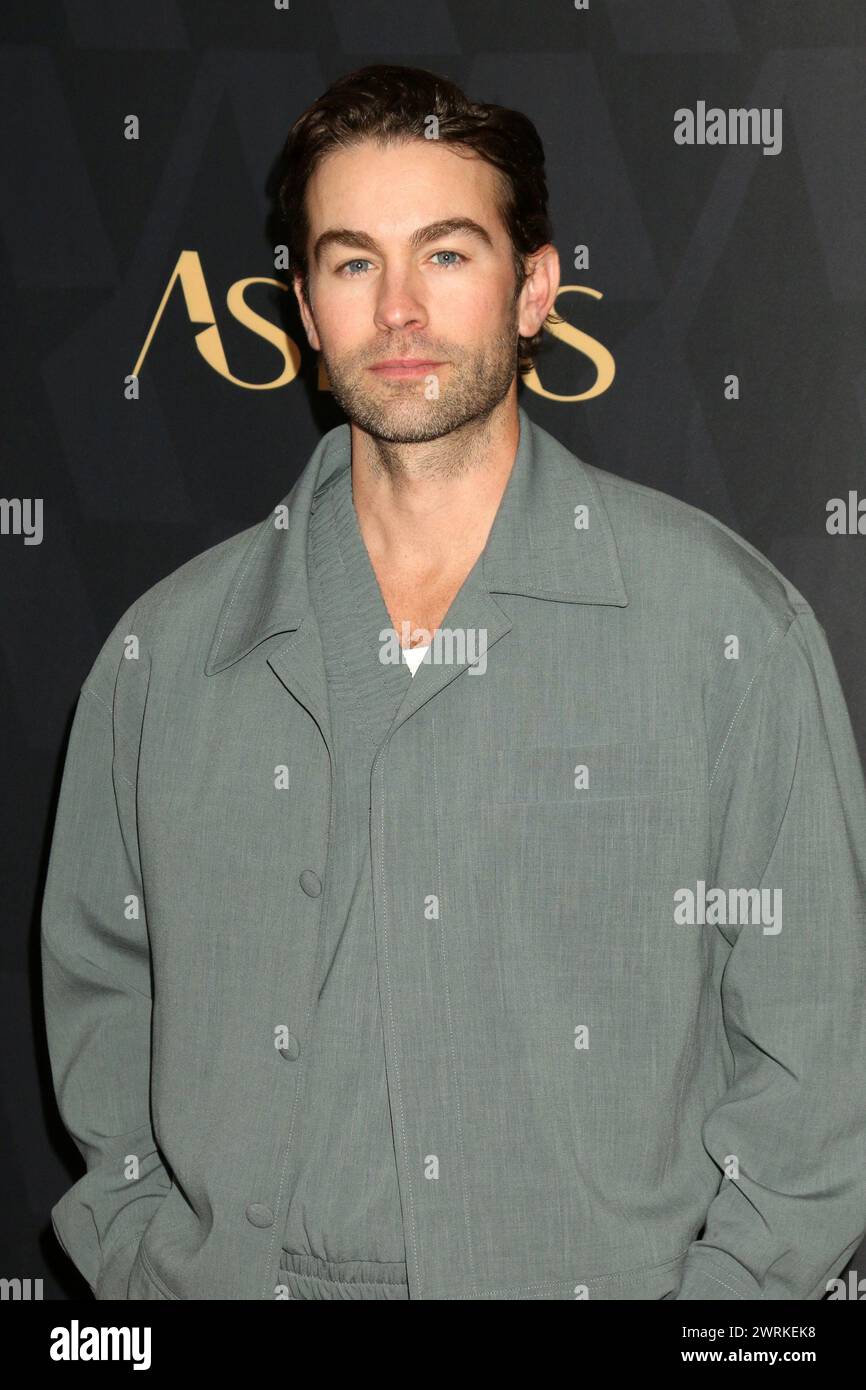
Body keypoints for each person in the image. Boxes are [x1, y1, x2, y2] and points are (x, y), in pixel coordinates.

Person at [42, 63, 866, 1302]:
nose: (399, 314)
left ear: (533, 287)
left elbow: (816, 1061)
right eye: (352, 261)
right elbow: (105, 998)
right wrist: (155, 1276)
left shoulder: (724, 632)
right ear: (306, 313)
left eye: (446, 253)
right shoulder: (168, 655)